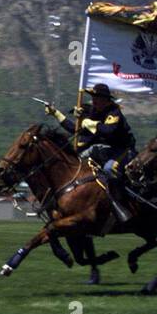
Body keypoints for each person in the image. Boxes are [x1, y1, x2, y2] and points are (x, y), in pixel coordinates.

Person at [44, 83, 136, 222]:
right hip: (106, 150)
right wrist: (56, 113)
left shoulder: (114, 112)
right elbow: (75, 129)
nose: (93, 101)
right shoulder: (95, 112)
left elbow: (108, 131)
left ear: (105, 99)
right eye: (92, 98)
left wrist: (91, 123)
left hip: (123, 150)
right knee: (76, 164)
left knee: (109, 169)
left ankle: (119, 201)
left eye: (96, 98)